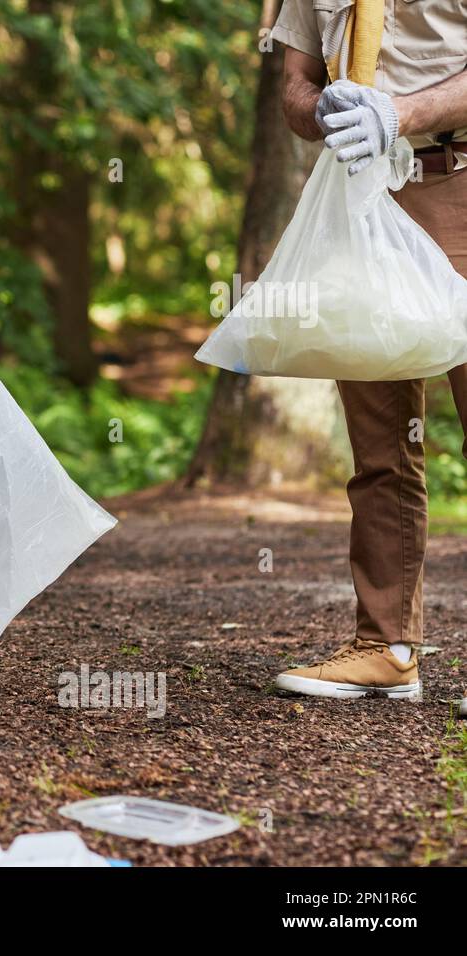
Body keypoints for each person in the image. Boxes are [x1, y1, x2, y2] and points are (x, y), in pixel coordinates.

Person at [270, 0, 467, 714]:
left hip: (460, 178)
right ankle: (387, 647)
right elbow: (293, 80)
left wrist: (399, 113)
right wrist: (321, 108)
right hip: (363, 195)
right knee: (382, 443)